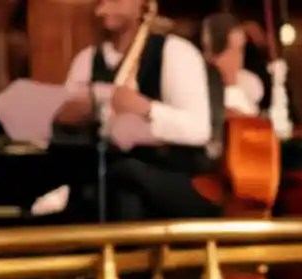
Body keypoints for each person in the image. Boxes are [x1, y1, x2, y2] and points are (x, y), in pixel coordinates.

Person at [54, 0, 222, 222]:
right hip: (105, 184)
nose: (101, 10)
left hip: (170, 181)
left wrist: (146, 108)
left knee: (126, 177)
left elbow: (198, 129)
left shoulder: (175, 52)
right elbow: (63, 119)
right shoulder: (86, 61)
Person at [200, 13, 265, 117]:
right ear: (213, 55)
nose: (239, 59)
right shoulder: (201, 91)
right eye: (232, 51)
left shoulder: (248, 86)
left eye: (241, 51)